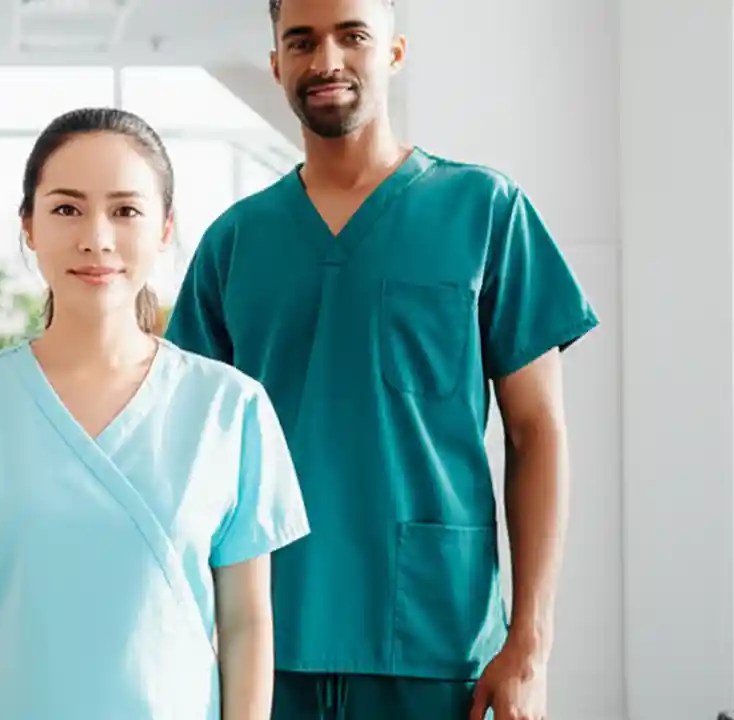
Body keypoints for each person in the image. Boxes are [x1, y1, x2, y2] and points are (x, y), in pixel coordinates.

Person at [165, 0, 600, 718]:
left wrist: (531, 641)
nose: (326, 60)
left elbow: (538, 432)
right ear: (276, 64)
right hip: (266, 638)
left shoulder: (484, 210)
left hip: (435, 637)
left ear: (393, 52)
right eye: (301, 41)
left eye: (352, 36)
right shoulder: (235, 243)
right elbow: (188, 456)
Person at [0, 107, 311, 720]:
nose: (96, 238)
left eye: (125, 210)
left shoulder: (229, 409)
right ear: (28, 225)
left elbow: (247, 626)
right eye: (67, 208)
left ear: (165, 227)